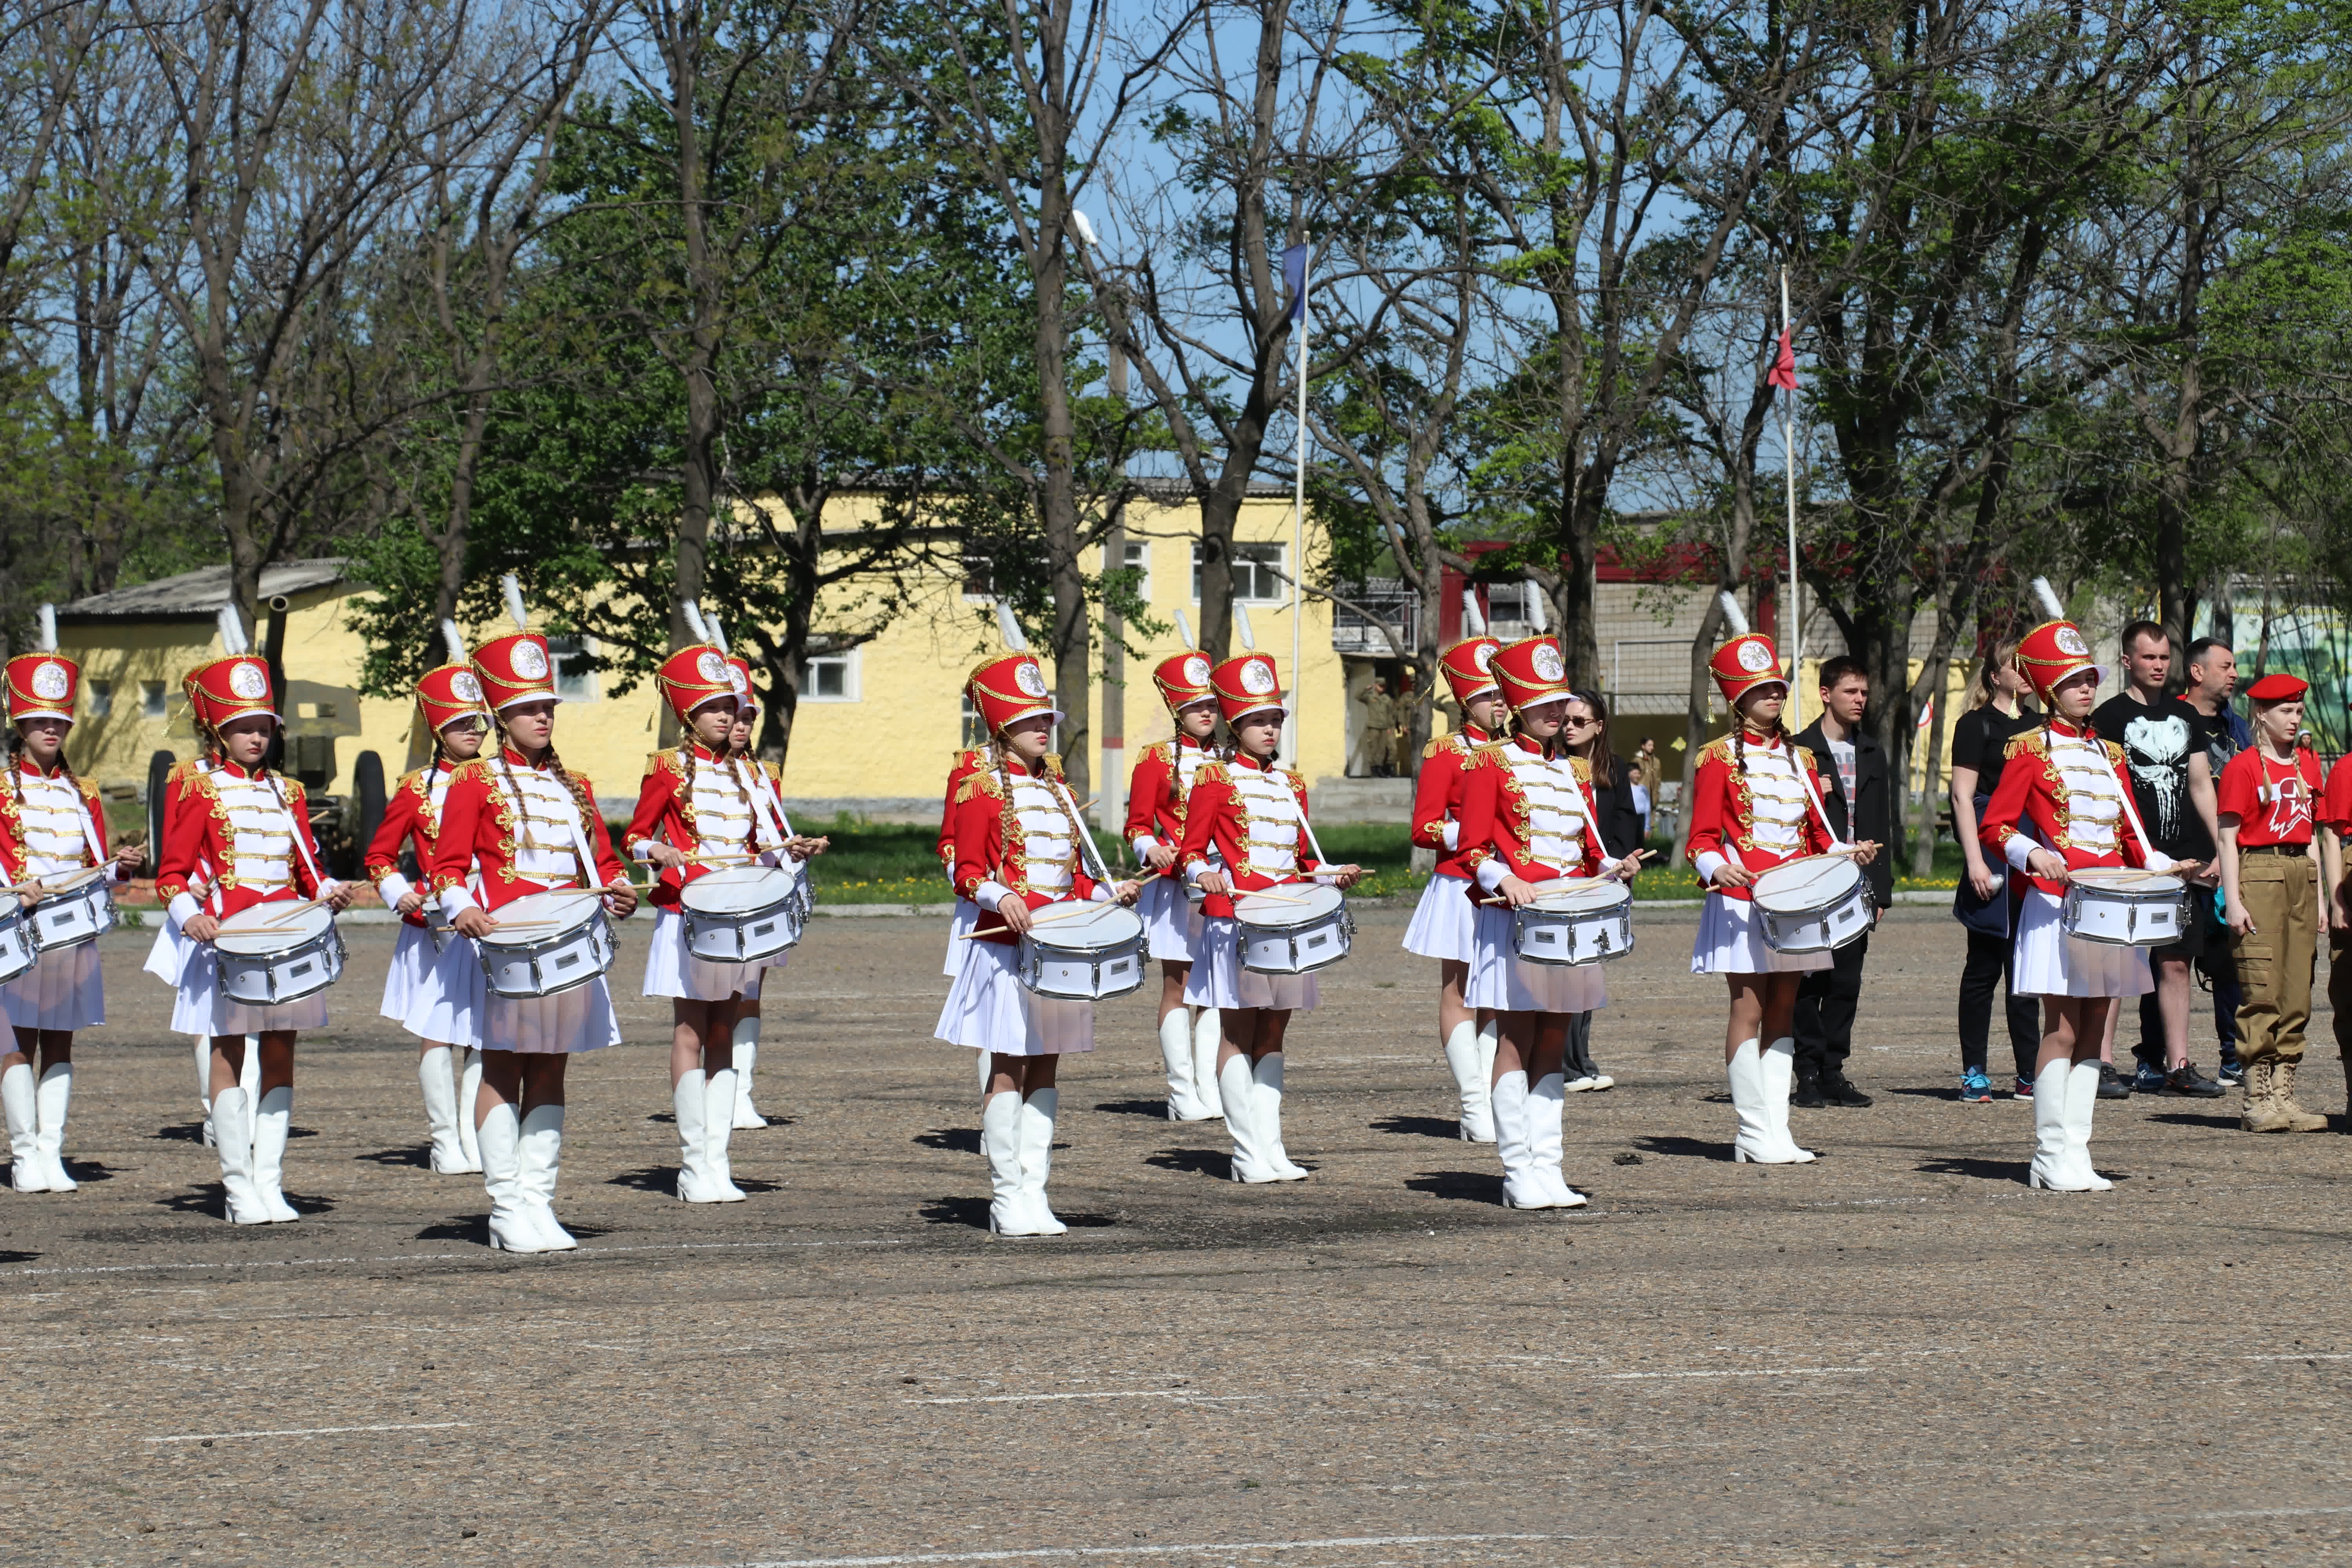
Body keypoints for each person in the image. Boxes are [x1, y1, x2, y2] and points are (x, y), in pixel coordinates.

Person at [433, 578, 639, 1252]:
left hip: (568, 942)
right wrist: (463, 909)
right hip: (506, 944)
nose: (542, 718)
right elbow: (446, 866)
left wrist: (617, 887)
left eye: (547, 706)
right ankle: (503, 1208)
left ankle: (538, 1199)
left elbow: (600, 858)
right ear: (500, 717)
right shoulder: (473, 781)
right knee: (503, 1065)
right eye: (526, 709)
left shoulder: (574, 785)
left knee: (551, 1066)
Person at [157, 608, 359, 1223]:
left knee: (281, 1053)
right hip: (228, 937)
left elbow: (306, 868)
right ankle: (238, 1184)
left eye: (263, 729)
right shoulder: (195, 785)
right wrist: (189, 914)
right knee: (228, 1053)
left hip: (287, 938)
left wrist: (328, 889)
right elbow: (170, 872)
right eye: (243, 728)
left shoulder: (290, 792)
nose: (256, 738)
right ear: (217, 731)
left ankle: (271, 1180)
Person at [1979, 582, 2178, 1191]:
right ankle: (2047, 1155)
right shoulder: (2028, 749)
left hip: (2111, 902)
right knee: (2061, 1027)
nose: (2087, 689)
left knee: (2096, 1027)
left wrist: (2155, 862)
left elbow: (2128, 831)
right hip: (2056, 905)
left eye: (2090, 678)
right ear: (2047, 690)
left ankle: (2078, 1153)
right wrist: (2035, 852)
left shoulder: (2111, 753)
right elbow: (1996, 825)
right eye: (2073, 682)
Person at [935, 651, 1140, 1235]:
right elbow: (963, 868)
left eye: (1046, 718)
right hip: (1006, 946)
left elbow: (1070, 876)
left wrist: (1107, 889)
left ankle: (1035, 1192)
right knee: (1008, 1067)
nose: (1043, 728)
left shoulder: (1059, 791)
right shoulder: (980, 788)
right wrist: (999, 896)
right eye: (1031, 720)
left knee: (1046, 1066)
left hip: (1058, 947)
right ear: (1003, 727)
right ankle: (1005, 1199)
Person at [1685, 594, 1874, 1163]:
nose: (1776, 696)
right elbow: (1699, 839)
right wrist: (1718, 867)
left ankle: (1777, 1129)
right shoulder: (1717, 758)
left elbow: (1817, 836)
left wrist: (1849, 852)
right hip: (1743, 901)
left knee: (1786, 1011)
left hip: (1795, 903)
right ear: (1740, 698)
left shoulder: (1804, 759)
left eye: (1779, 688)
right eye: (1764, 690)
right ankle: (1751, 1131)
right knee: (1748, 1009)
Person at [1454, 640, 1643, 1208]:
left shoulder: (1577, 769)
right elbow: (1470, 848)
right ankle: (1517, 1172)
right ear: (1516, 706)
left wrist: (1613, 866)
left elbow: (1587, 849)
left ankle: (1549, 1165)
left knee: (1556, 1038)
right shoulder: (1489, 762)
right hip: (1516, 916)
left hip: (1570, 917)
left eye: (1560, 705)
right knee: (1516, 1037)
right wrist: (1500, 877)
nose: (1556, 716)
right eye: (1544, 706)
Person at [1180, 652, 1365, 1182]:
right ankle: (1245, 1155)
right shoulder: (1214, 779)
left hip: (1289, 922)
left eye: (1276, 720)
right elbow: (1191, 851)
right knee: (1238, 1031)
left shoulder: (1293, 784)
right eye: (1260, 721)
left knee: (1275, 1034)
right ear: (1236, 726)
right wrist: (1203, 874)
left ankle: (1272, 1146)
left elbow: (1305, 861)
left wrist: (1332, 875)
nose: (1270, 729)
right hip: (1236, 921)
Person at [624, 615, 779, 1203]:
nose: (725, 716)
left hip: (739, 915)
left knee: (726, 1028)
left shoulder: (751, 772)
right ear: (689, 714)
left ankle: (719, 1160)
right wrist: (656, 849)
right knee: (691, 1029)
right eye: (714, 708)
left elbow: (758, 841)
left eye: (729, 707)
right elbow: (634, 835)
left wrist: (787, 851)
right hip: (688, 915)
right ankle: (693, 1165)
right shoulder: (665, 767)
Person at [0, 606, 142, 1192]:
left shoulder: (83, 790)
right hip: (15, 925)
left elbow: (96, 867)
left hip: (71, 930)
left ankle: (52, 1149)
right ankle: (24, 1151)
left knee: (59, 1039)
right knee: (14, 1038)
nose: (50, 731)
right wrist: (13, 888)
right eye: (38, 722)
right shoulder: (2, 785)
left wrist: (120, 869)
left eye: (58, 722)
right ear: (19, 725)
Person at [362, 623, 492, 1176]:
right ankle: (444, 1141)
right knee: (439, 1031)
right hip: (436, 923)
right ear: (439, 728)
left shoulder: (500, 779)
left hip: (494, 919)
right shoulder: (417, 787)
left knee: (489, 1032)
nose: (473, 732)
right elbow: (380, 857)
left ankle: (476, 1134)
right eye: (460, 724)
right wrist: (404, 897)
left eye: (478, 722)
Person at [2089, 622, 2225, 1099]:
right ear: (2128, 661)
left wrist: (2219, 850)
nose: (2159, 665)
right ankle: (2101, 1062)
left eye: (2165, 657)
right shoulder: (2107, 717)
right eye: (2149, 658)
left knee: (2176, 962)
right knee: (2118, 962)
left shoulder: (2186, 715)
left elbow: (2201, 784)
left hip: (2182, 859)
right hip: (2130, 859)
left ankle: (2178, 1064)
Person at [1401, 632, 1505, 1140]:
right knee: (1461, 992)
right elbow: (1423, 827)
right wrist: (1475, 833)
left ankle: (1495, 1096)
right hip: (1461, 881)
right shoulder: (1446, 751)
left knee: (1499, 995)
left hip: (1512, 886)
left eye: (1504, 691)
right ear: (1467, 700)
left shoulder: (1522, 753)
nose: (1500, 702)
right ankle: (1473, 1106)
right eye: (1489, 694)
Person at [717, 649, 825, 1130]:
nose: (742, 726)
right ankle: (714, 1088)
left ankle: (742, 1091)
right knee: (716, 997)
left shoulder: (765, 774)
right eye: (735, 716)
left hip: (759, 894)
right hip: (717, 896)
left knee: (751, 992)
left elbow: (770, 830)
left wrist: (795, 849)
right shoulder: (694, 773)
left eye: (749, 716)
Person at [2216, 673, 2328, 1132]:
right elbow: (2226, 837)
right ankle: (2256, 1097)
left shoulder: (2307, 763)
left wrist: (2320, 898)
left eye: (2298, 711)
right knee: (2261, 985)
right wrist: (2235, 898)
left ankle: (2285, 1092)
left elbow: (2315, 834)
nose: (2293, 719)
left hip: (2301, 870)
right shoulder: (2243, 767)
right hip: (2259, 870)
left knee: (2297, 987)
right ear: (2261, 713)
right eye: (2285, 711)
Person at [1122, 651, 1225, 1122]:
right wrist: (1154, 848)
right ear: (1176, 709)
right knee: (1179, 986)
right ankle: (1182, 1092)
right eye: (1195, 706)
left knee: (1216, 988)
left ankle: (1212, 1087)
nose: (1206, 713)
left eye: (1211, 704)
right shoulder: (1156, 758)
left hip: (1224, 884)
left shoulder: (1230, 759)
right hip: (1176, 887)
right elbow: (1137, 825)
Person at [1789, 657, 1891, 1109]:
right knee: (1809, 980)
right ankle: (1806, 1071)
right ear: (1826, 694)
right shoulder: (1799, 750)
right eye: (1851, 692)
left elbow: (1881, 821)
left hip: (1858, 884)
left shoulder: (1871, 751)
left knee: (1847, 981)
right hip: (1814, 881)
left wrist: (1881, 889)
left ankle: (1834, 1070)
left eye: (1864, 693)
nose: (1860, 700)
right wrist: (1813, 788)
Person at [1948, 640, 2042, 1102]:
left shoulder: (2042, 727)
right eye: (2015, 664)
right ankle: (1975, 1072)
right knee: (1983, 969)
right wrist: (1975, 862)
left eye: (2030, 665)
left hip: (2033, 848)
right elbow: (1962, 797)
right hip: (1990, 843)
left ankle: (2030, 1072)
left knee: (2027, 968)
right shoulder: (1975, 725)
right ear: (1994, 675)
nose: (2024, 672)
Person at [1559, 688, 1639, 1092]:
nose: (1569, 727)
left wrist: (1622, 872)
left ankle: (1582, 1058)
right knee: (1564, 974)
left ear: (1599, 726)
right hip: (1560, 883)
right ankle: (1565, 1065)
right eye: (1566, 720)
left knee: (1588, 976)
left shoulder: (1615, 769)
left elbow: (1625, 823)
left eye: (1579, 721)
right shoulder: (1552, 766)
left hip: (1602, 882)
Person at [2183, 637, 2249, 1083]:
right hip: (2179, 861)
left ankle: (2233, 1054)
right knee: (2168, 964)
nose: (2234, 674)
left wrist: (2229, 858)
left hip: (2228, 861)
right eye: (2226, 666)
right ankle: (2158, 1058)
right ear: (2197, 671)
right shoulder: (2172, 722)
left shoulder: (2238, 728)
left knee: (2230, 964)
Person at [1355, 675, 1399, 778]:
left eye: (1384, 686)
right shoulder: (1370, 697)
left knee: (1382, 750)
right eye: (1380, 686)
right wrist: (1366, 689)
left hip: (1384, 727)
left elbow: (1391, 714)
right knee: (1373, 748)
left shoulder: (1387, 699)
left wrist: (1390, 727)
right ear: (1376, 686)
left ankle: (1379, 769)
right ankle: (1373, 770)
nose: (1382, 688)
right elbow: (1358, 696)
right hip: (1374, 726)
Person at [1632, 737, 1662, 840]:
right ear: (1643, 746)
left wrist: (1657, 794)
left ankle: (1650, 843)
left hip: (1653, 794)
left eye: (1653, 745)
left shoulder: (1657, 761)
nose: (1652, 748)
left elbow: (1659, 778)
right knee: (1641, 822)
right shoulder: (1637, 760)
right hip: (1641, 795)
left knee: (1652, 821)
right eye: (1649, 745)